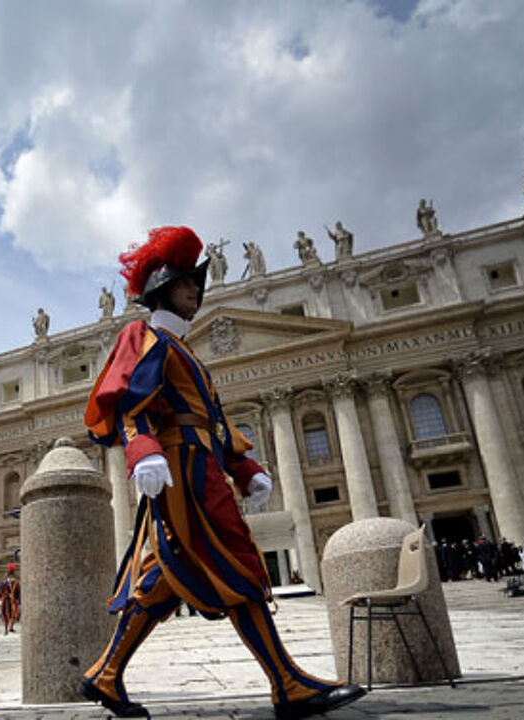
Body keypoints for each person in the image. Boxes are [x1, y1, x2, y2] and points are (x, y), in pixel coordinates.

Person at [78, 226, 364, 719]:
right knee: (238, 562)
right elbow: (130, 403)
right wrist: (143, 452)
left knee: (166, 574)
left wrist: (244, 465)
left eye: (196, 282)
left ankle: (105, 674)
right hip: (181, 471)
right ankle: (288, 685)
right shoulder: (144, 336)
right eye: (187, 281)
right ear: (163, 288)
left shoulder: (189, 354)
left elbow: (212, 421)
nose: (196, 290)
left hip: (200, 464)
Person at [0, 563, 21, 635]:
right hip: (6, 600)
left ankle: (11, 627)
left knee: (14, 613)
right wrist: (2, 596)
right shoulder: (4, 583)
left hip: (12, 600)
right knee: (5, 613)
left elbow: (18, 592)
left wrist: (17, 599)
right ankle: (6, 628)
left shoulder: (16, 583)